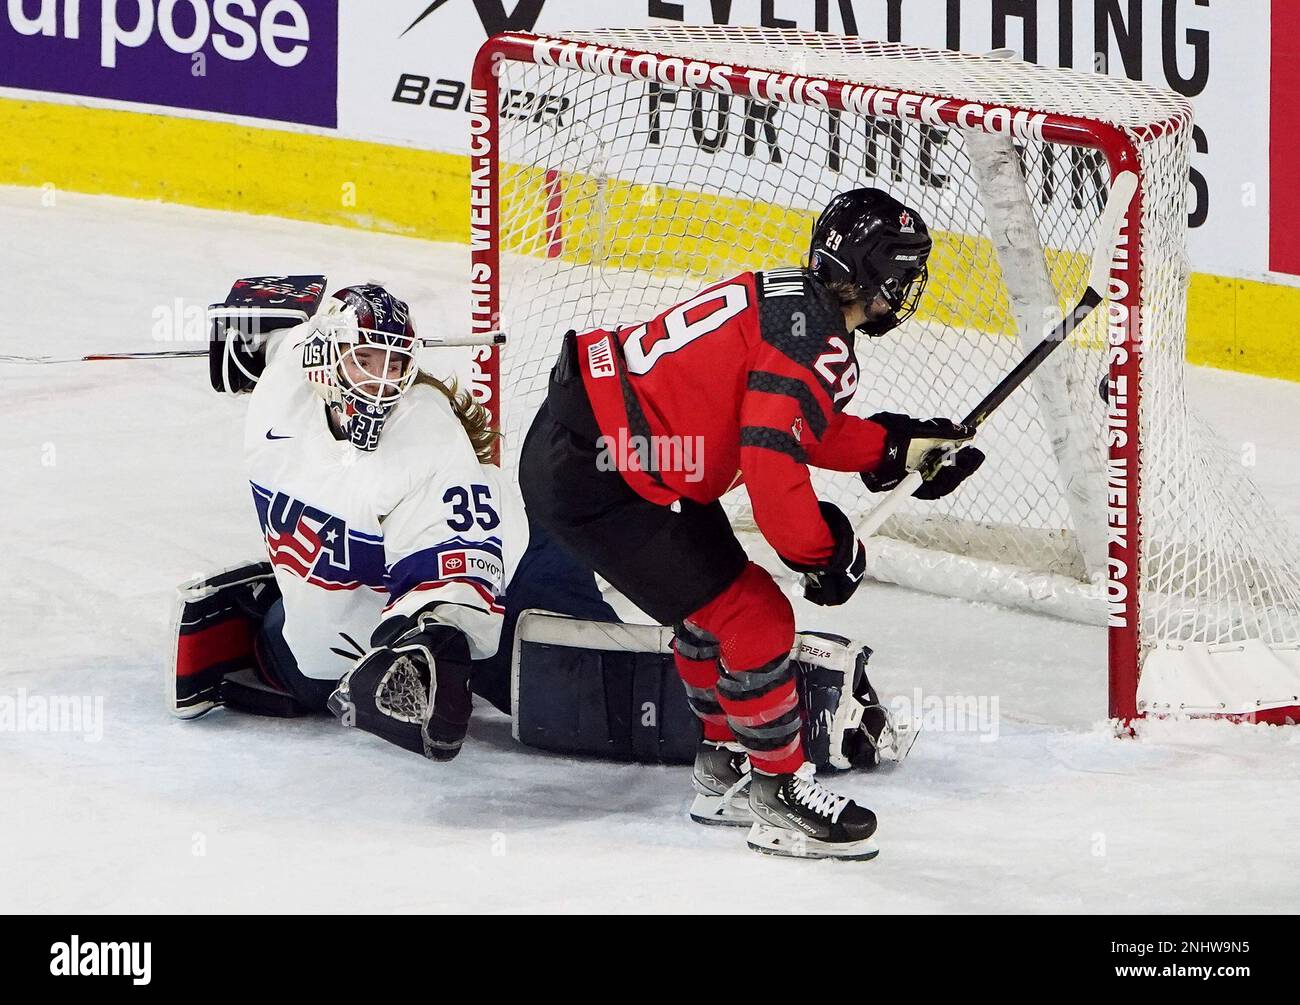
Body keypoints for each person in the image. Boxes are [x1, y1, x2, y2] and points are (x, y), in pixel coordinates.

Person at [519, 189, 985, 859]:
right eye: (903, 270)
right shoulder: (813, 336)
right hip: (604, 476)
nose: (906, 287)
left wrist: (893, 446)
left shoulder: (795, 302)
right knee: (756, 618)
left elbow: (792, 423)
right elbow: (771, 469)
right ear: (870, 270)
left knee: (715, 611)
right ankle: (778, 789)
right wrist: (825, 551)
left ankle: (725, 766)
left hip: (604, 446)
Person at [171, 280, 613, 761]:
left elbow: (454, 591)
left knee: (585, 684)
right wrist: (248, 335)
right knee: (300, 653)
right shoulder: (285, 381)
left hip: (507, 574)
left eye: (395, 362)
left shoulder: (425, 438)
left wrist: (425, 653)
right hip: (343, 636)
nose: (381, 381)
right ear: (322, 357)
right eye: (365, 359)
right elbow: (279, 326)